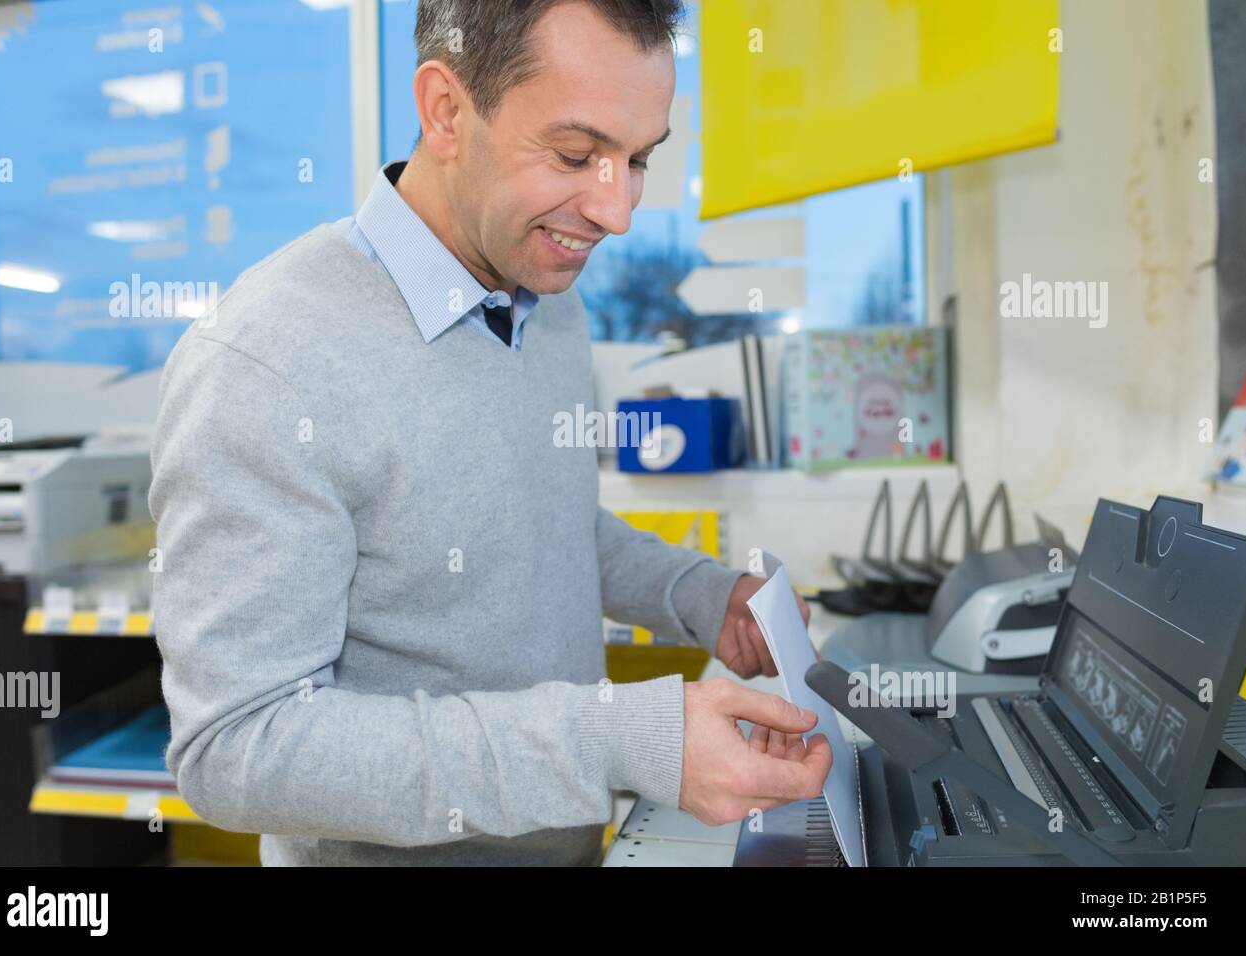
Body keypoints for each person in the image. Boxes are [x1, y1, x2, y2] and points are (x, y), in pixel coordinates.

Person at [149, 0, 830, 866]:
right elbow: (240, 751)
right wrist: (619, 740)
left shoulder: (547, 299)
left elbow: (545, 524)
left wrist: (702, 596)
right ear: (445, 110)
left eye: (638, 160)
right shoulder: (266, 363)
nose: (616, 212)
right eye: (577, 156)